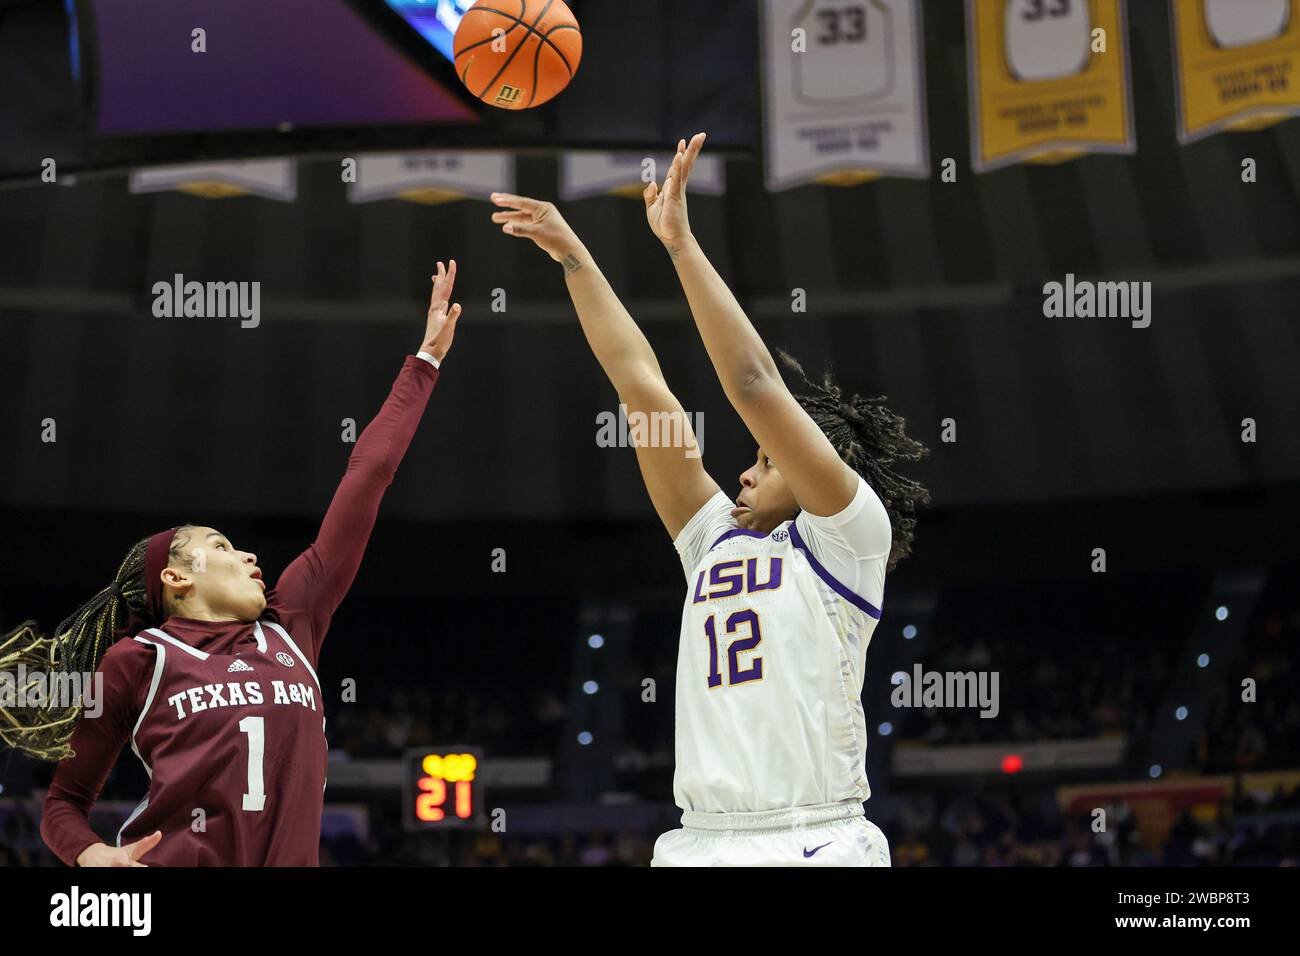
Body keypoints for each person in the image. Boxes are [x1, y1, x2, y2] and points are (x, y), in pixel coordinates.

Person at [491, 134, 929, 866]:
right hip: (699, 841)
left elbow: (754, 384)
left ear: (831, 463)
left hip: (814, 836)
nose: (746, 475)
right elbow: (642, 390)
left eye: (767, 460)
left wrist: (681, 246)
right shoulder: (713, 539)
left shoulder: (851, 541)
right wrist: (576, 258)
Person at [0, 262, 463, 866]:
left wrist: (424, 362)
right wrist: (93, 857)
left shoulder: (291, 624)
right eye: (219, 546)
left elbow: (367, 478)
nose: (247, 554)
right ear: (176, 577)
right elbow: (64, 802)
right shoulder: (138, 662)